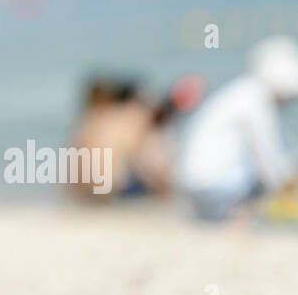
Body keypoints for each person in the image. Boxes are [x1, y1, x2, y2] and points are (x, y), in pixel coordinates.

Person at [176, 37, 298, 222]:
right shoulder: (257, 103)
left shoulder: (243, 92)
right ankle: (240, 216)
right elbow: (268, 162)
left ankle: (235, 214)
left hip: (195, 187)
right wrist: (294, 191)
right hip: (214, 188)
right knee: (260, 175)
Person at [68, 73, 204, 201]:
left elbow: (74, 166)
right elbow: (152, 164)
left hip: (91, 189)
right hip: (118, 189)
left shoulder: (89, 120)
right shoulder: (133, 118)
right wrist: (165, 193)